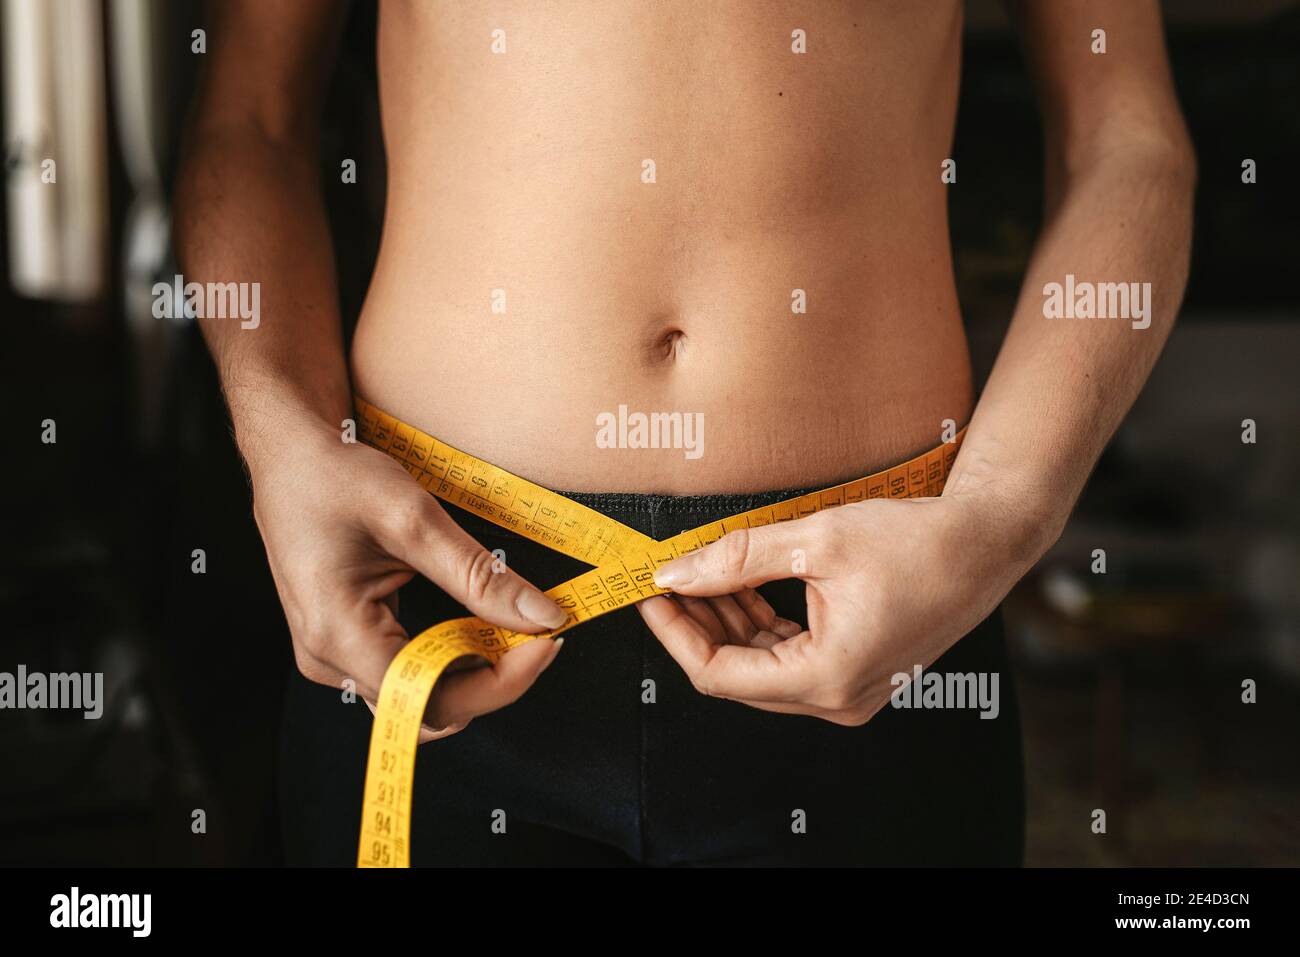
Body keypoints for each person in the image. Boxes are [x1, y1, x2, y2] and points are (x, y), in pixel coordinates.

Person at [174, 0, 1194, 865]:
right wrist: (281, 442)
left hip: (892, 593)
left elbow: (1125, 140)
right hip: (425, 592)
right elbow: (248, 121)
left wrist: (1002, 513)